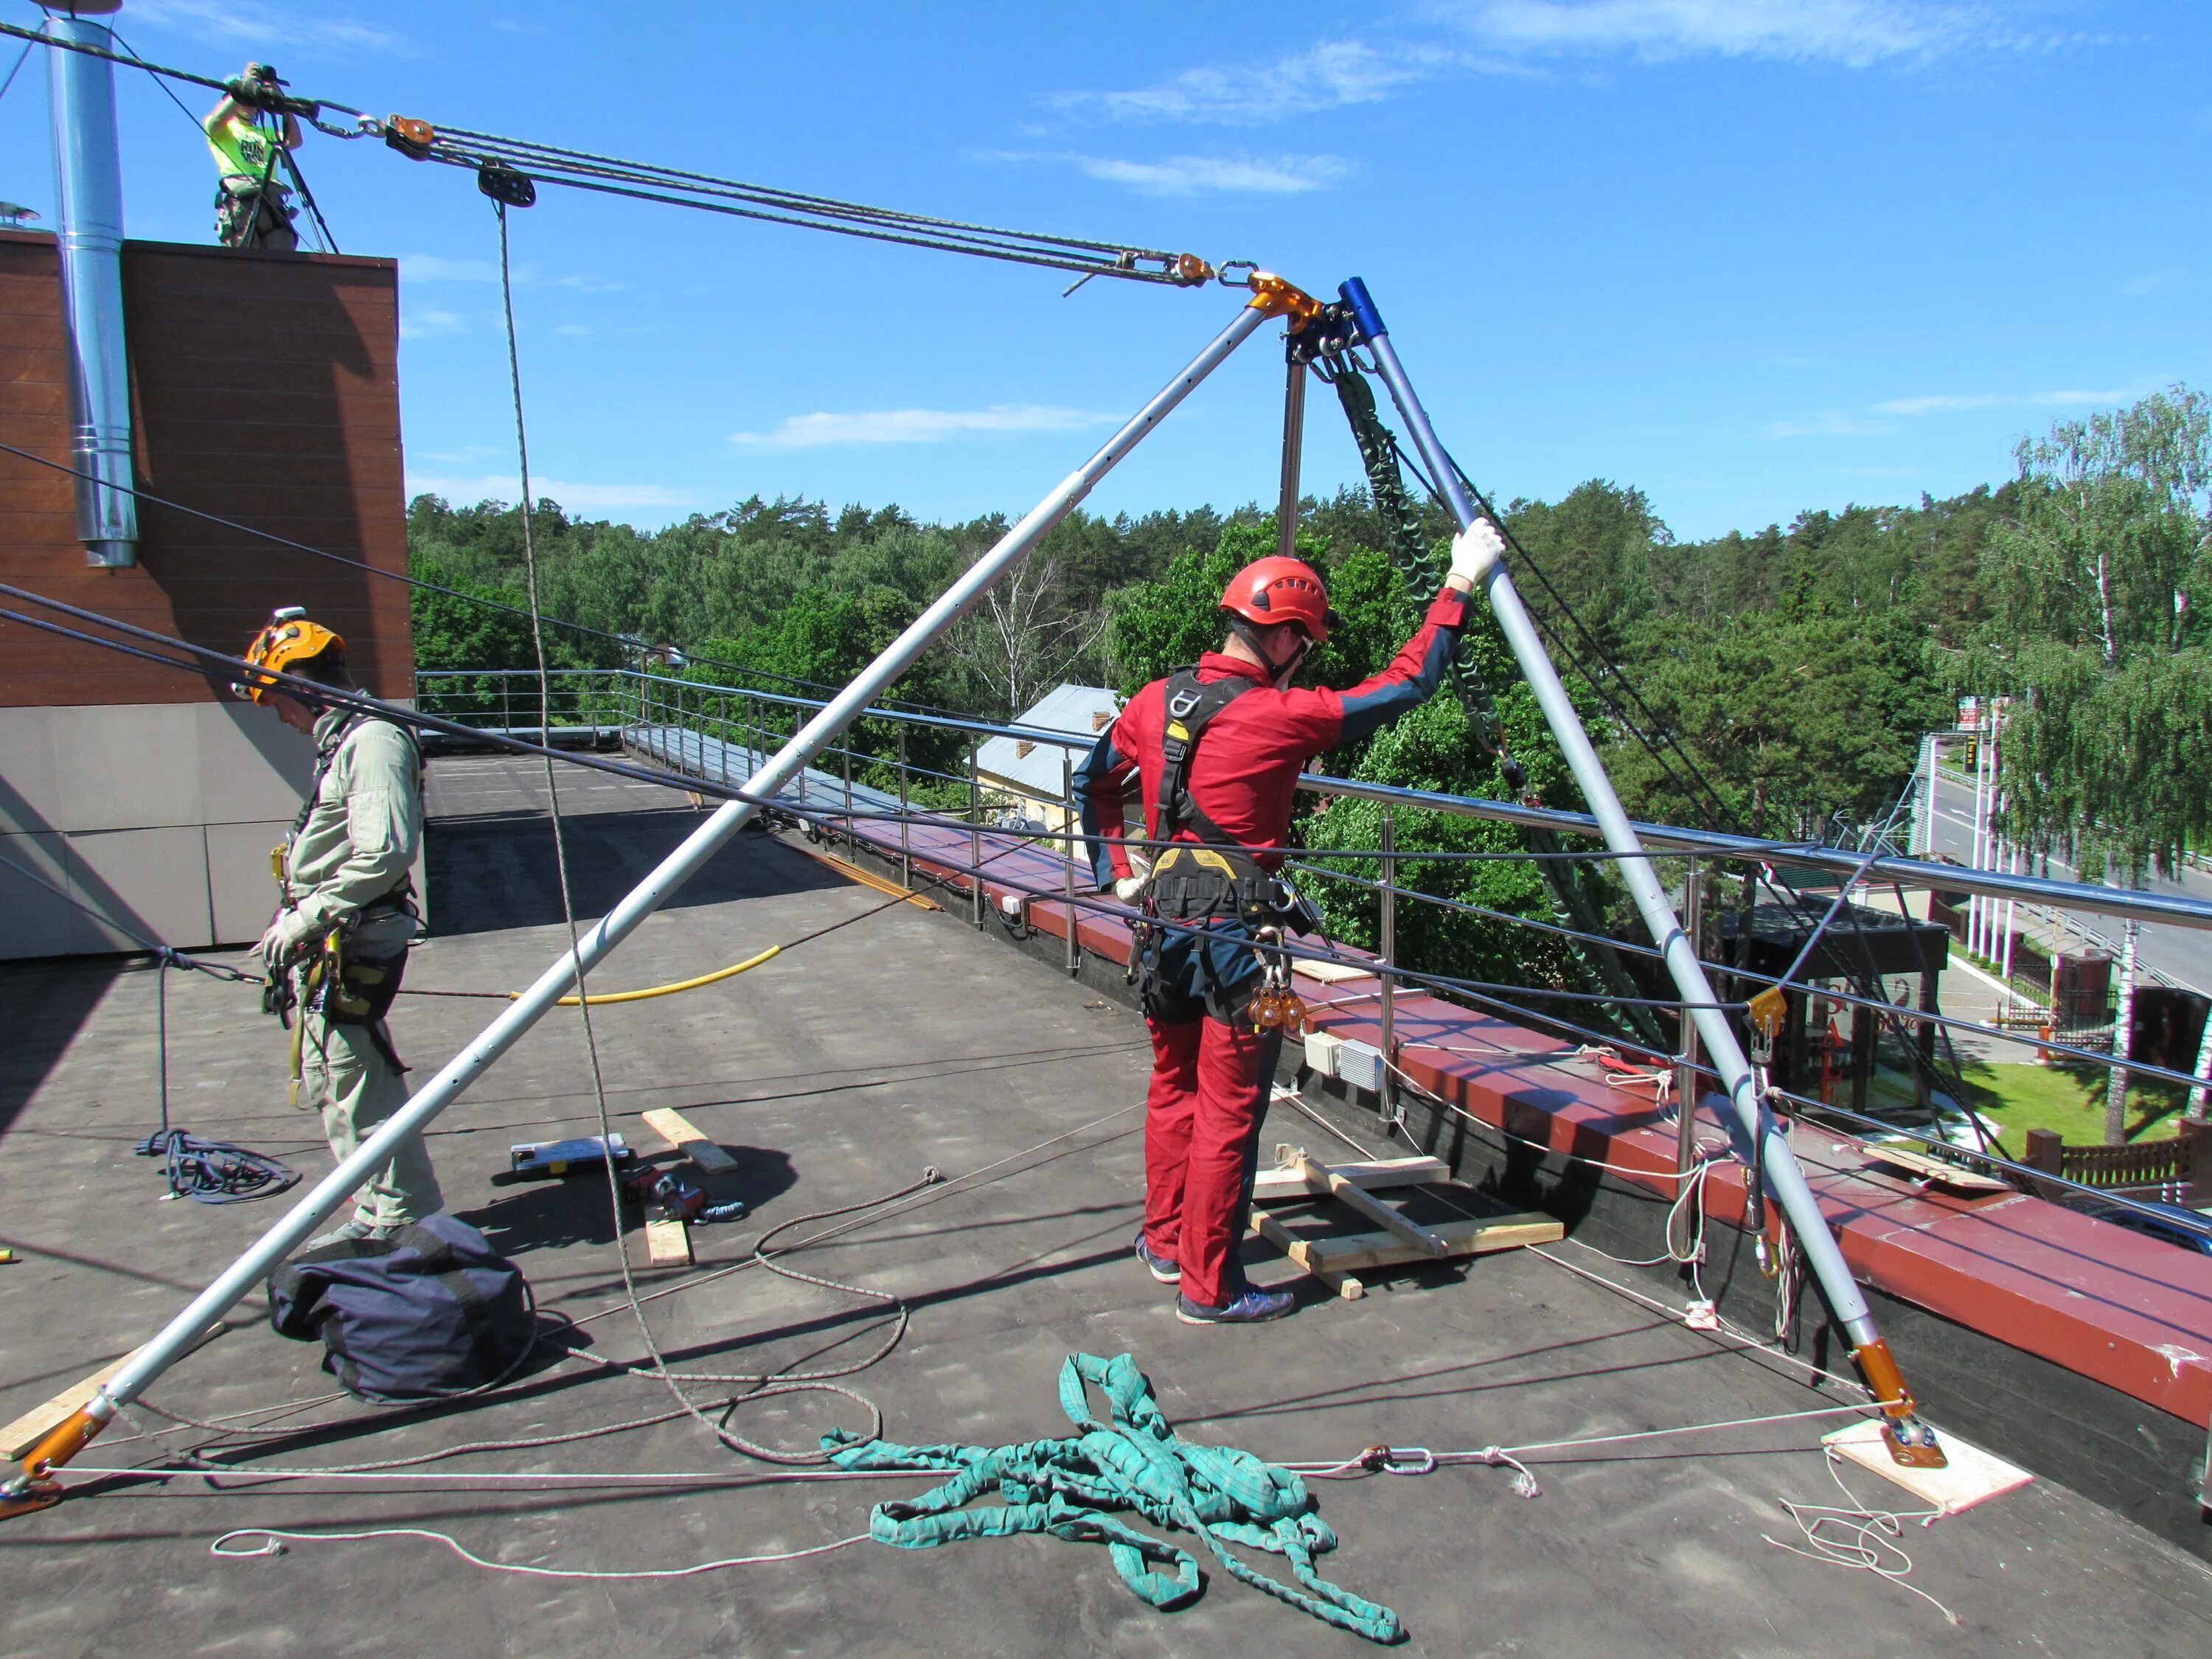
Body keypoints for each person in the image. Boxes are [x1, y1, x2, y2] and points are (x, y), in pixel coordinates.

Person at [1076, 521, 1504, 1324]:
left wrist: (1118, 873)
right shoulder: (1281, 715)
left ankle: (1167, 1244)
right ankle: (1212, 1285)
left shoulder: (1154, 701)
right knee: (1229, 1111)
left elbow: (1092, 780)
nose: (1303, 658)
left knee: (1174, 1090)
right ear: (1283, 638)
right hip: (1236, 938)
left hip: (1163, 923)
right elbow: (1405, 686)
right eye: (1302, 645)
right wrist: (1458, 587)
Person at [239, 608, 443, 1248]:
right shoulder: (347, 739)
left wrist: (308, 913)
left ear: (300, 683)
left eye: (276, 701)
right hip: (337, 931)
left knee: (356, 1078)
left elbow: (384, 851)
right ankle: (382, 1205)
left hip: (354, 932)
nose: (279, 717)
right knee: (341, 1074)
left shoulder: (372, 740)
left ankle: (398, 1215)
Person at [204, 63, 302, 251]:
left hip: (272, 200)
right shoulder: (222, 128)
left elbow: (295, 140)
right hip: (241, 198)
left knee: (282, 259)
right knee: (245, 260)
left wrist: (281, 102)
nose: (248, 104)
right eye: (244, 100)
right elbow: (216, 121)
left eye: (253, 100)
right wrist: (247, 85)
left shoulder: (266, 132)